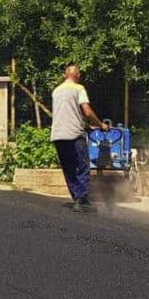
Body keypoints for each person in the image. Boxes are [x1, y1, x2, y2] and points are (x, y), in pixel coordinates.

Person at [50, 64, 105, 212]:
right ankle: (82, 201)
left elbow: (68, 112)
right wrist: (100, 124)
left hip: (57, 134)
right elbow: (86, 111)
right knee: (83, 166)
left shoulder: (56, 91)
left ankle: (77, 198)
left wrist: (86, 125)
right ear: (78, 76)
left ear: (64, 75)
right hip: (74, 135)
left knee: (68, 167)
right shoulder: (79, 88)